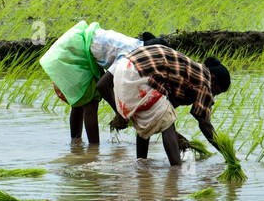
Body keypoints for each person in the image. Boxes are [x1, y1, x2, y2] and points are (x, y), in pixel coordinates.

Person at [95, 44, 230, 165]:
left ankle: (141, 164)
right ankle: (176, 171)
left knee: (145, 123)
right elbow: (204, 123)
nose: (213, 96)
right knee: (167, 121)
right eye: (217, 92)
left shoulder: (189, 71)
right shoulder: (205, 79)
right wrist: (227, 154)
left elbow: (165, 105)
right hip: (139, 72)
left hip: (122, 70)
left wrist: (176, 136)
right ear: (214, 79)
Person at [40, 22, 156, 144]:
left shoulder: (135, 46)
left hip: (76, 44)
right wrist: (119, 112)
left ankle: (75, 144)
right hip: (76, 49)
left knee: (81, 98)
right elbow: (102, 85)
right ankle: (93, 150)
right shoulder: (131, 55)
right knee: (90, 100)